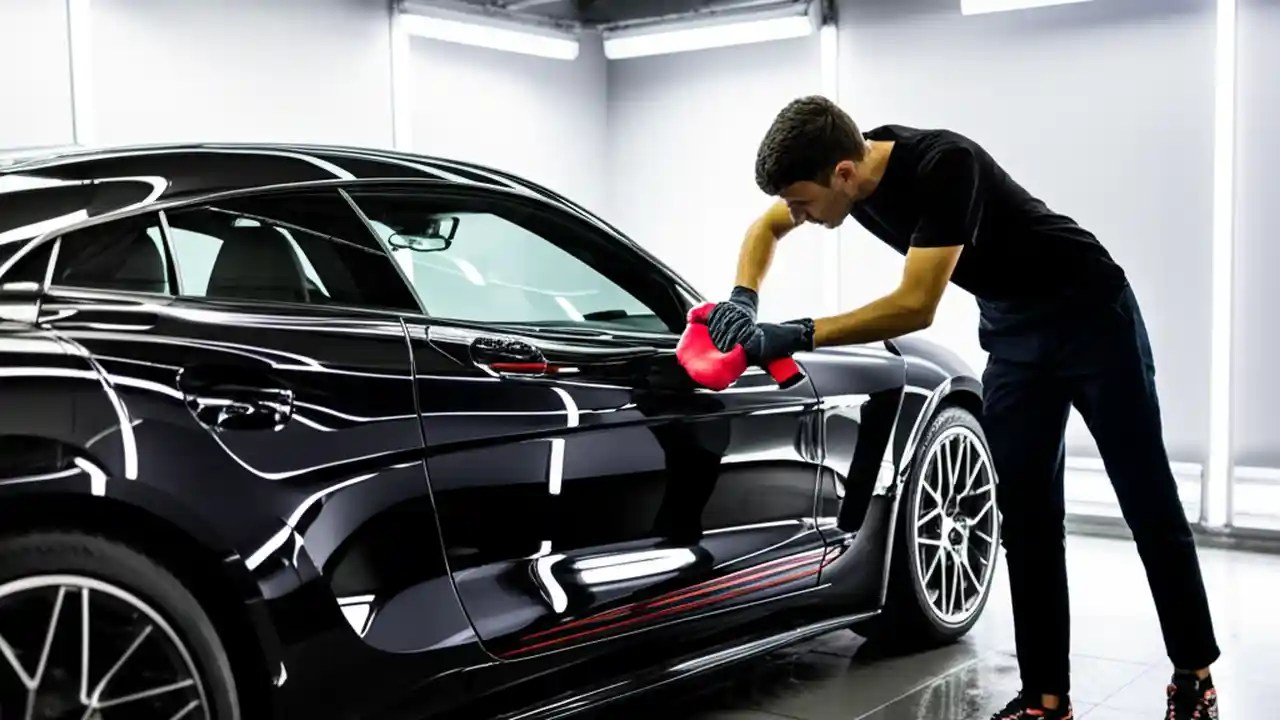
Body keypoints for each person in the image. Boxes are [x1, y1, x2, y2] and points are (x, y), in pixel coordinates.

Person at [705, 95, 1221, 720]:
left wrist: (799, 333)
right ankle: (1045, 700)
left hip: (1093, 316)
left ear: (842, 174)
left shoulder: (944, 165)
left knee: (1147, 500)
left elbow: (915, 304)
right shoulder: (840, 164)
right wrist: (744, 296)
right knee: (1025, 516)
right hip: (1014, 332)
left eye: (802, 202)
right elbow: (765, 228)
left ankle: (1194, 676)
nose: (798, 215)